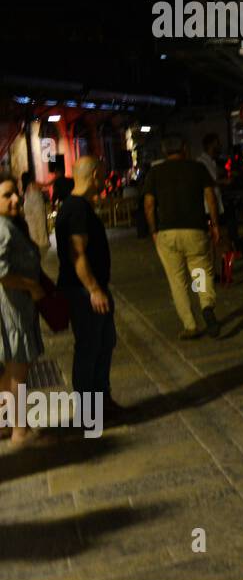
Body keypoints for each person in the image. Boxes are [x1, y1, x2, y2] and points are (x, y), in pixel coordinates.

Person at [54, 157, 120, 425]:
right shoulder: (77, 209)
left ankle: (103, 401)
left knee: (104, 343)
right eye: (102, 175)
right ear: (94, 176)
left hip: (89, 289)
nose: (105, 179)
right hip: (83, 292)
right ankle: (89, 411)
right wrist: (94, 289)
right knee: (90, 348)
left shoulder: (77, 206)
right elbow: (76, 253)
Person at [143, 137, 221, 339]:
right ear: (184, 148)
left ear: (164, 150)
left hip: (167, 232)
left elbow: (149, 205)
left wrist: (153, 230)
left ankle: (190, 324)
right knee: (200, 271)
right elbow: (210, 197)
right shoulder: (197, 168)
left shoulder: (155, 172)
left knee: (177, 281)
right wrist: (214, 224)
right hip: (195, 229)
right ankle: (206, 305)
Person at [0, 176, 48, 445]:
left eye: (15, 193)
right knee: (18, 369)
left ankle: (5, 423)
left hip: (14, 306)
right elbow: (2, 272)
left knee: (11, 369)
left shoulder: (8, 225)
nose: (16, 199)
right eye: (7, 195)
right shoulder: (2, 229)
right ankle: (21, 430)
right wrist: (31, 286)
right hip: (12, 308)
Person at [197, 132, 227, 223]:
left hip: (215, 203)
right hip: (207, 206)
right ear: (211, 145)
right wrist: (224, 181)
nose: (220, 145)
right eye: (217, 143)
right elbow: (206, 181)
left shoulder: (211, 161)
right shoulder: (202, 162)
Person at [21, 171, 50, 253]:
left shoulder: (24, 187)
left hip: (27, 205)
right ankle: (42, 242)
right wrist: (56, 178)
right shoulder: (34, 184)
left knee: (31, 224)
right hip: (36, 204)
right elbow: (47, 185)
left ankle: (34, 241)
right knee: (40, 222)